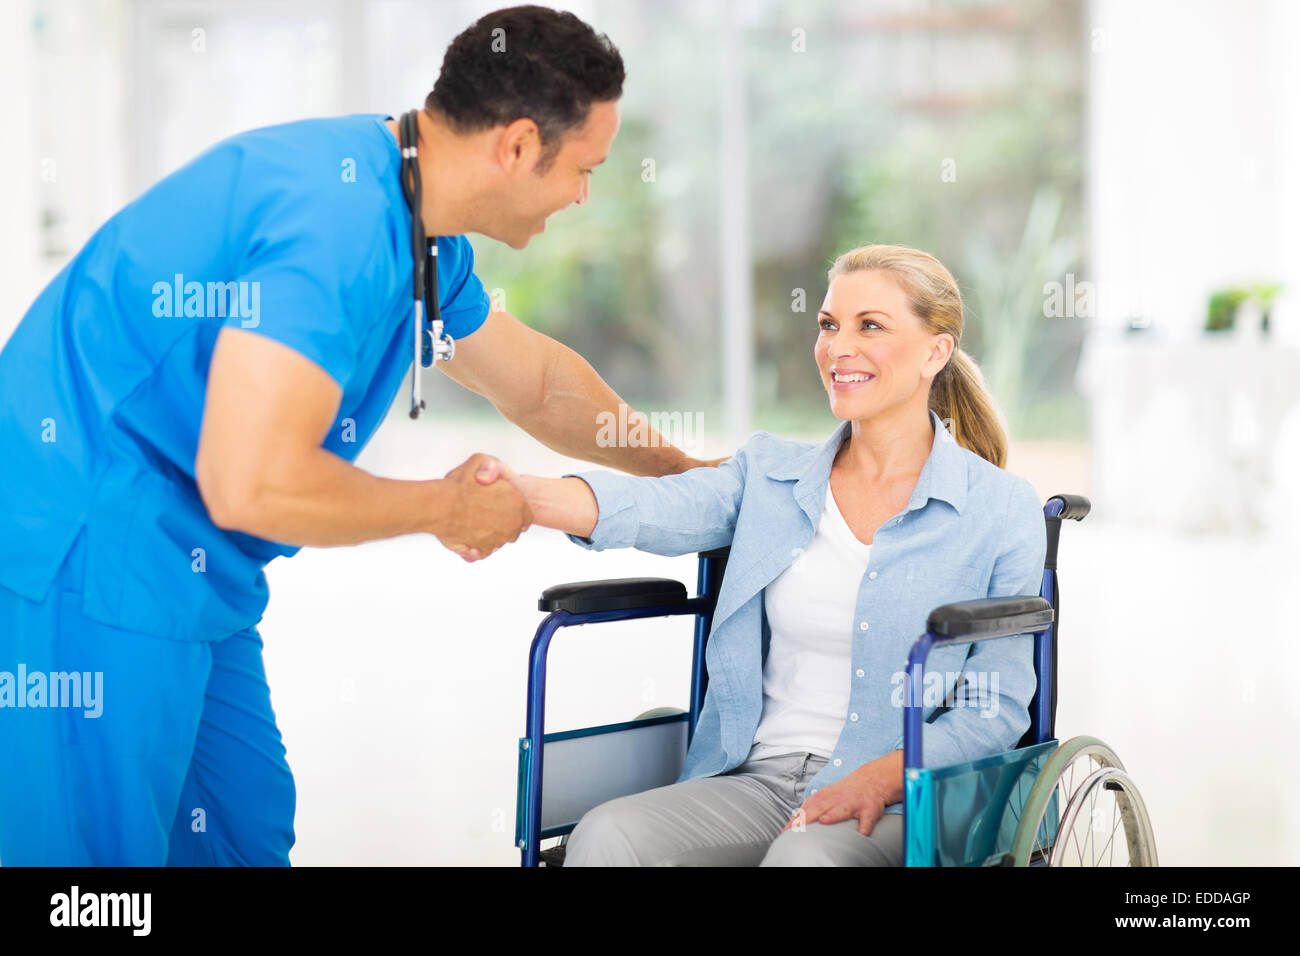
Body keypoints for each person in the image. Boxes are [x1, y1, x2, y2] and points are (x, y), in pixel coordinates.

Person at [0, 5, 720, 866]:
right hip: (85, 551)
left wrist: (684, 473)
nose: (582, 195)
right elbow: (250, 481)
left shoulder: (416, 218)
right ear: (520, 145)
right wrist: (443, 509)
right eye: (582, 169)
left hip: (195, 568)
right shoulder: (333, 227)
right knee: (99, 864)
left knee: (241, 831)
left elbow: (534, 383)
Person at [482, 244, 1049, 866]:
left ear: (935, 352)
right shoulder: (771, 476)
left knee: (804, 861)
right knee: (608, 834)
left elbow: (992, 709)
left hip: (903, 798)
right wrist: (525, 497)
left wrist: (883, 776)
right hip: (755, 778)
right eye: (829, 325)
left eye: (871, 326)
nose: (839, 348)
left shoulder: (999, 509)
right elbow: (661, 507)